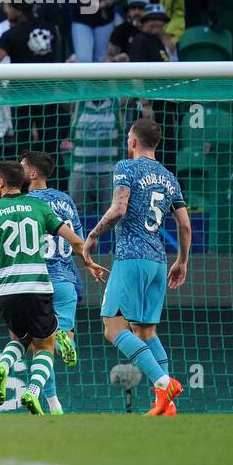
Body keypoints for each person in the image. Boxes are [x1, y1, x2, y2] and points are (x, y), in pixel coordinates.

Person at [0, 160, 103, 415]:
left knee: (20, 339)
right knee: (45, 346)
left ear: (0, 182)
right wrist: (89, 263)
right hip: (39, 285)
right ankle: (33, 392)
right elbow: (75, 240)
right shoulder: (39, 207)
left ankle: (3, 365)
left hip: (6, 289)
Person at [84, 117, 191, 417]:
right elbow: (184, 225)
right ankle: (168, 406)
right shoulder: (170, 177)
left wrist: (92, 235)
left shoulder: (126, 168)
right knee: (145, 332)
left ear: (132, 141)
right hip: (159, 262)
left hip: (131, 258)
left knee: (111, 327)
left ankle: (163, 383)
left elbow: (119, 209)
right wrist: (181, 261)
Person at [21, 149, 86, 416]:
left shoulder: (24, 202)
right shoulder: (66, 201)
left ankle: (52, 403)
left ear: (33, 173)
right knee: (58, 344)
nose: (19, 170)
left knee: (39, 347)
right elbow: (79, 240)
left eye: (23, 166)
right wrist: (89, 266)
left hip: (37, 280)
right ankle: (54, 405)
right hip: (66, 280)